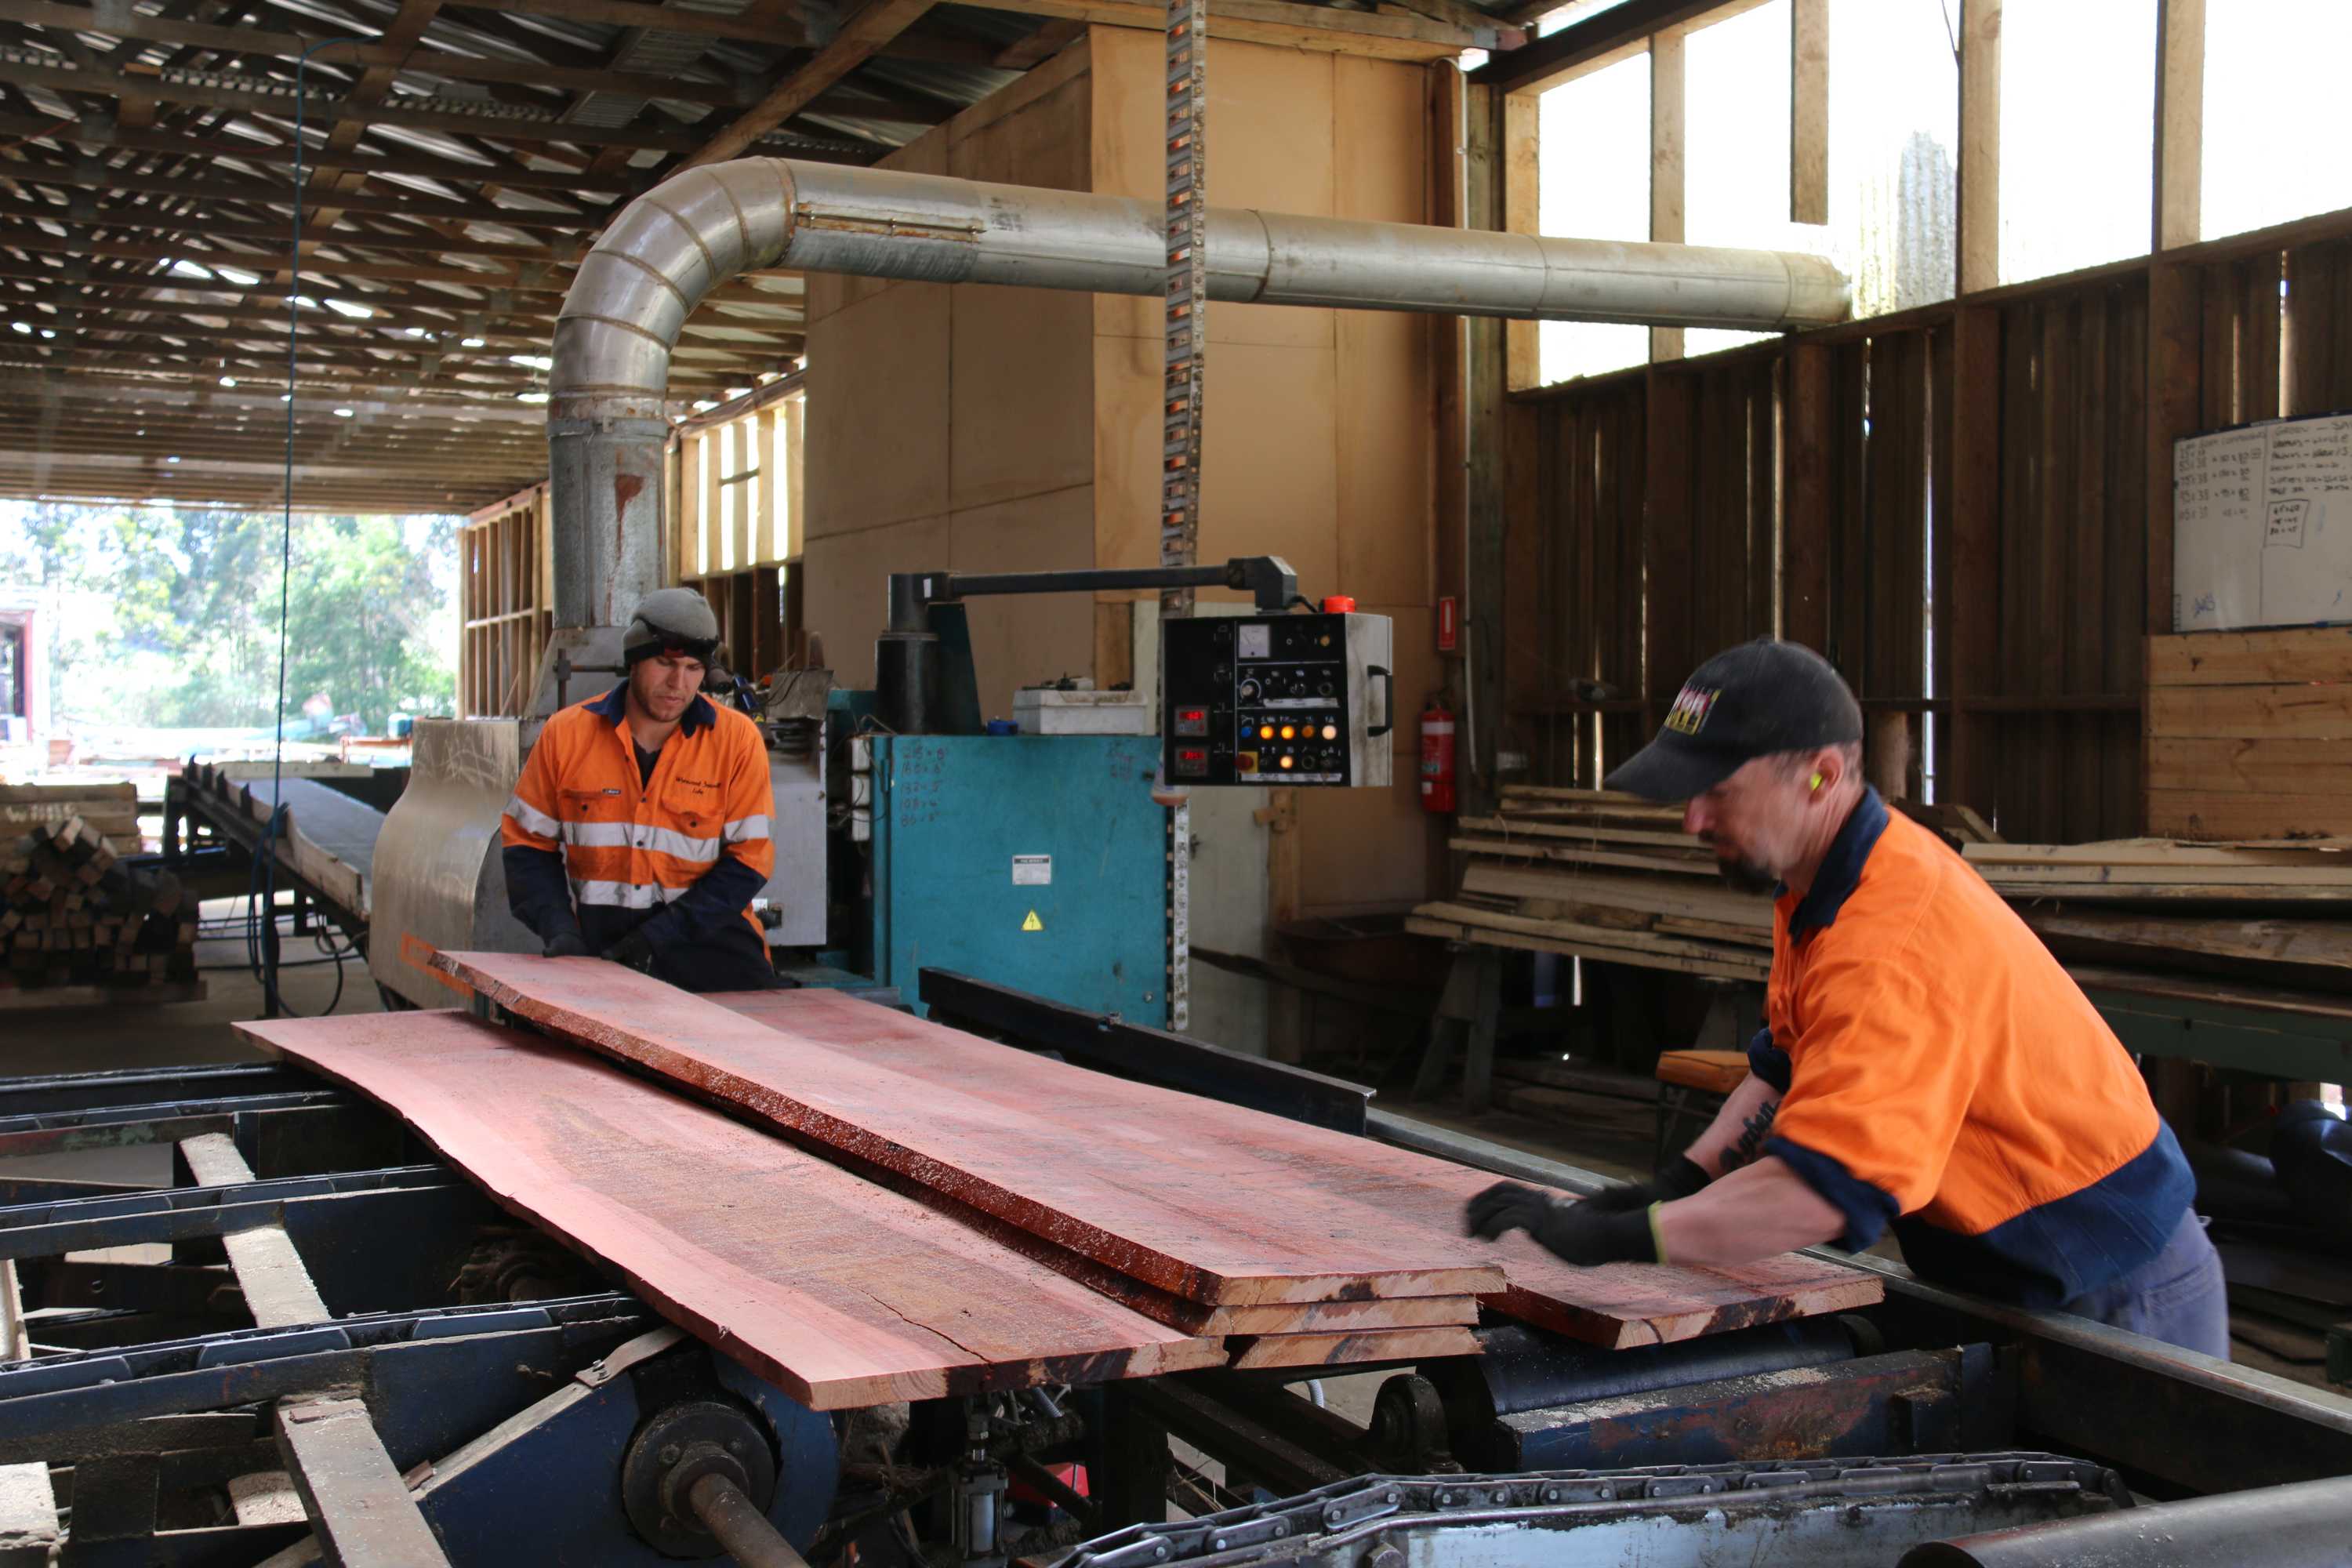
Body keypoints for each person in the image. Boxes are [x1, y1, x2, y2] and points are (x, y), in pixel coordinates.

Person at [1465, 638, 2227, 1359]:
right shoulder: (1823, 883)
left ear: (1821, 776)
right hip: (2023, 1272)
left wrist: (1614, 1239)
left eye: (1718, 791)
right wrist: (1677, 1185)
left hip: (2117, 1286)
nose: (1693, 818)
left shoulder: (1891, 941)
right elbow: (1785, 1069)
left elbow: (1818, 1196)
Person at [499, 588, 783, 993]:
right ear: (633, 659)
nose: (678, 683)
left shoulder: (737, 741)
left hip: (716, 960)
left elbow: (750, 862)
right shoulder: (566, 736)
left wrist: (656, 939)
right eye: (664, 663)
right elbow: (527, 845)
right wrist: (559, 929)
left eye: (693, 668)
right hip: (604, 958)